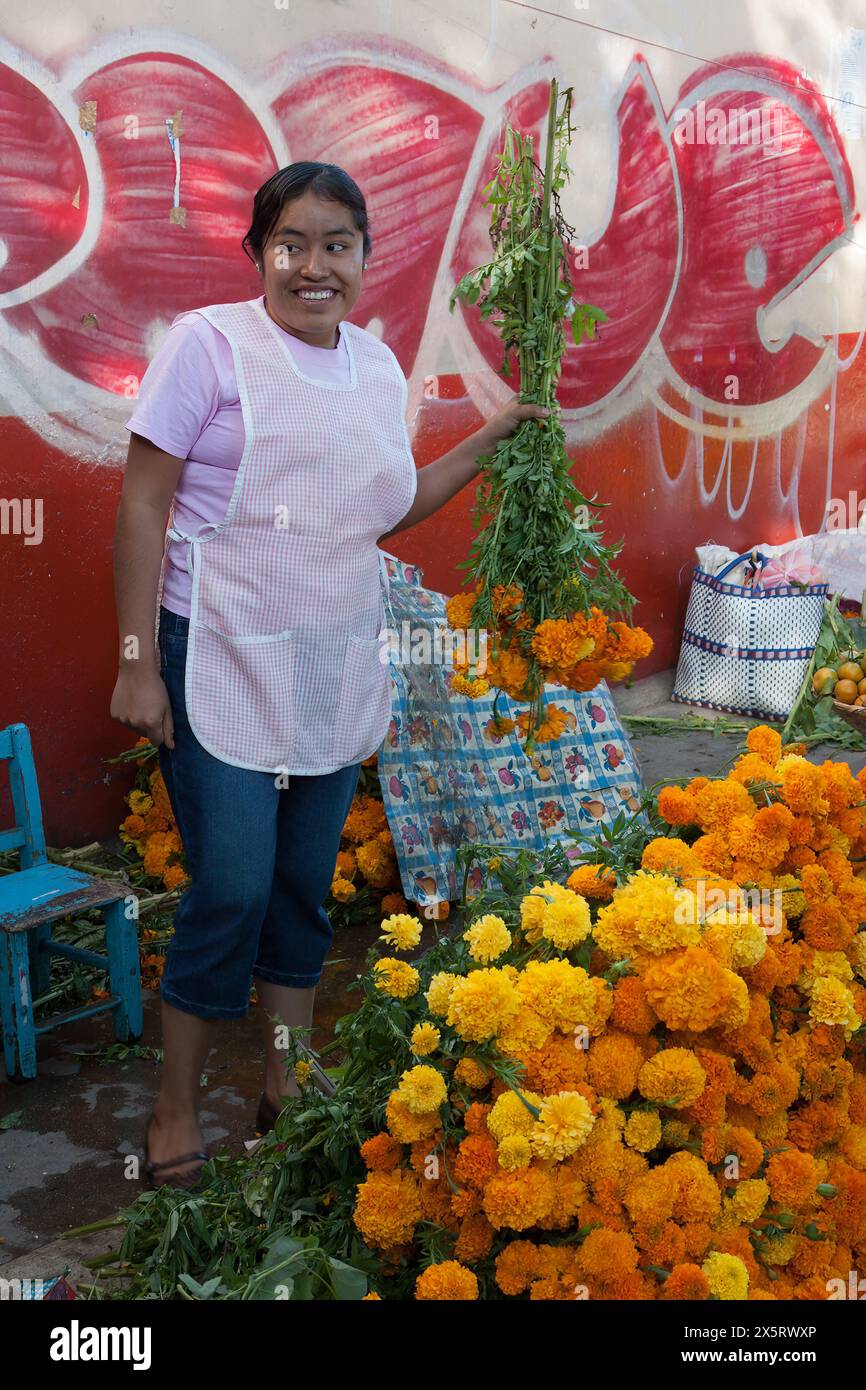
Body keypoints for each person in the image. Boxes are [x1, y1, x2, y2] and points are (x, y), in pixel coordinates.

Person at [110, 161, 548, 1187]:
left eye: (335, 244)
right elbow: (140, 508)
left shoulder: (375, 368)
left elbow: (377, 510)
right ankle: (173, 1112)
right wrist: (135, 662)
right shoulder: (207, 348)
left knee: (304, 886)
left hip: (328, 655)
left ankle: (283, 1081)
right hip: (214, 647)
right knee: (230, 885)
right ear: (259, 250)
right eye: (291, 244)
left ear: (362, 255)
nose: (314, 266)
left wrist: (487, 443)